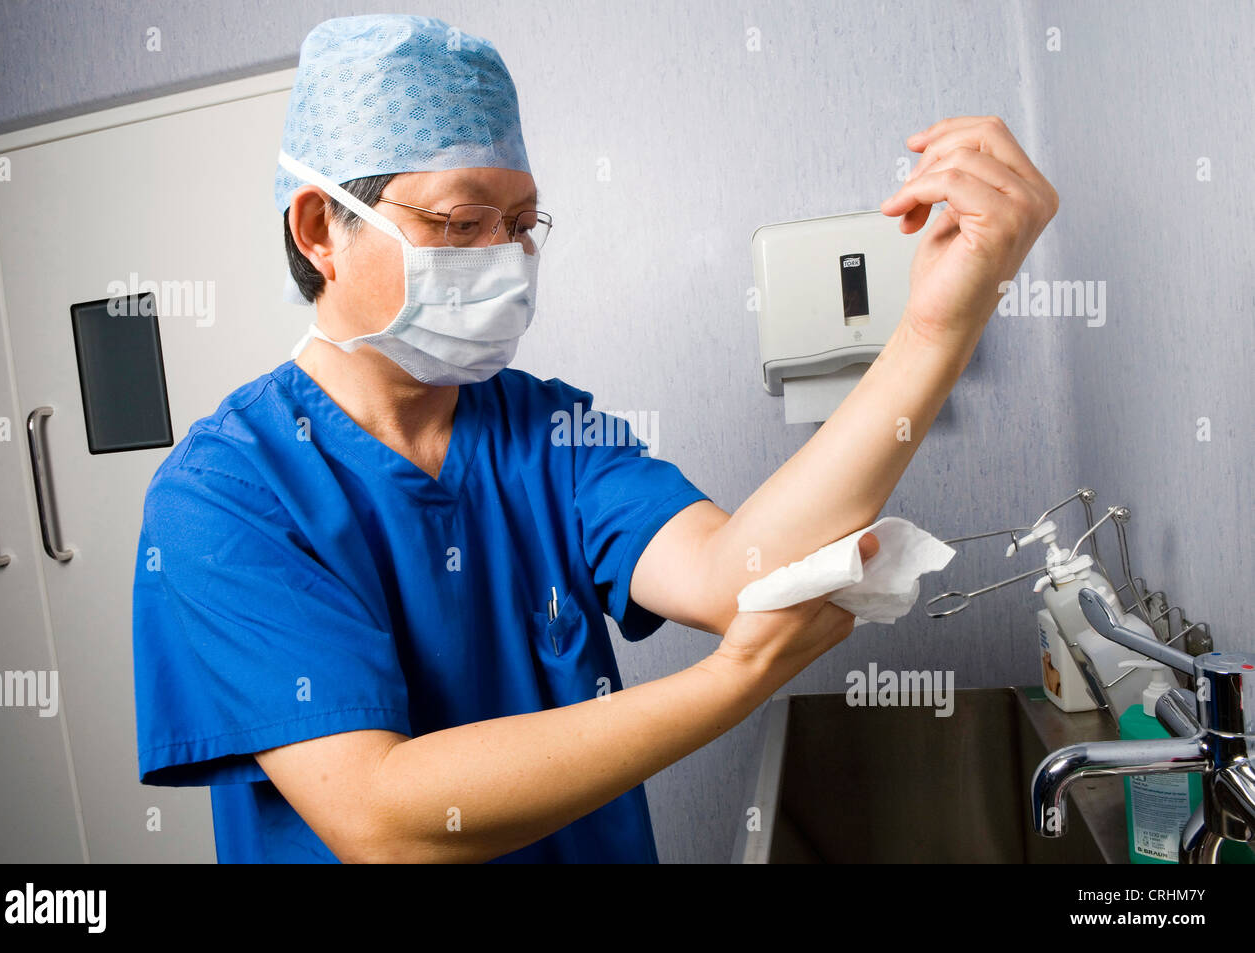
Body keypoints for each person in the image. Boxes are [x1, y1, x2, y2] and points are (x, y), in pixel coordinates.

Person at [131, 13, 1057, 863]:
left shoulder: (549, 430)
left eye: (524, 222)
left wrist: (937, 326)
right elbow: (380, 813)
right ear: (319, 231)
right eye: (462, 222)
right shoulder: (223, 495)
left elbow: (736, 574)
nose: (506, 254)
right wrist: (727, 684)